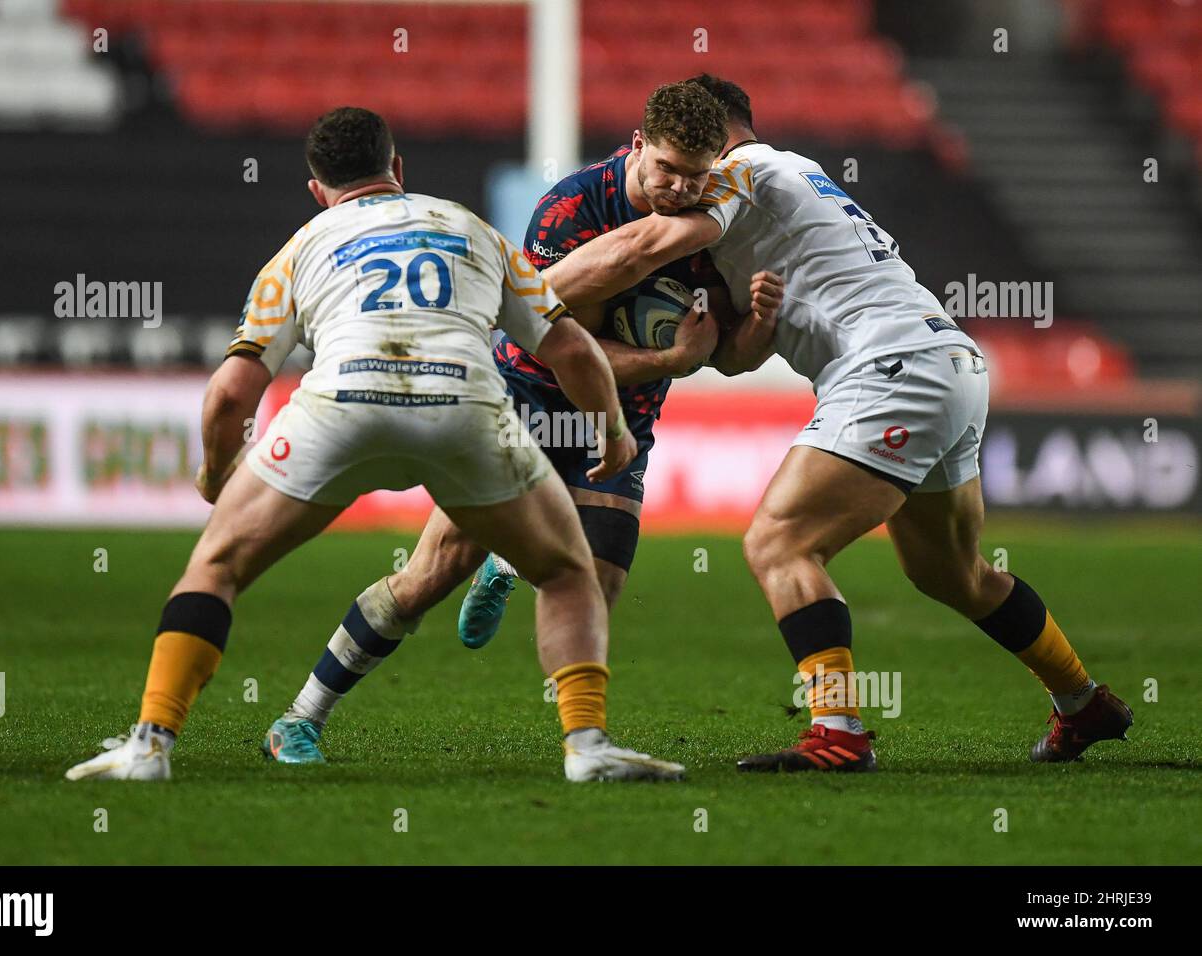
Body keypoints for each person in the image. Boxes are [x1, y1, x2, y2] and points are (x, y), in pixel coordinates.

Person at [65, 106, 683, 783]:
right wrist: (613, 429)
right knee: (568, 573)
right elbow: (571, 348)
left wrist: (217, 474)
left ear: (316, 189)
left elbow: (230, 393)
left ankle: (152, 746)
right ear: (397, 169)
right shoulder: (470, 229)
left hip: (341, 410)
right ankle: (587, 749)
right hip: (464, 411)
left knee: (215, 567)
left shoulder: (301, 247)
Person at [535, 73, 1133, 771]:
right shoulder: (798, 176)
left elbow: (637, 251)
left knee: (778, 543)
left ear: (717, 139)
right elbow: (732, 358)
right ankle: (1082, 700)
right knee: (953, 572)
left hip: (891, 368)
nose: (684, 184)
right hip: (949, 361)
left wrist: (524, 299)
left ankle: (838, 732)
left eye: (690, 166)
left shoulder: (741, 173)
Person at [262, 82, 782, 765]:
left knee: (599, 586)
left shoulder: (717, 228)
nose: (680, 188)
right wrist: (670, 358)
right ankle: (300, 718)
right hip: (525, 395)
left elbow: (730, 359)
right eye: (666, 170)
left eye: (696, 175)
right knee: (430, 574)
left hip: (626, 414)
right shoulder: (572, 207)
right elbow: (563, 348)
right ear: (636, 147)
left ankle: (585, 746)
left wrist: (760, 326)